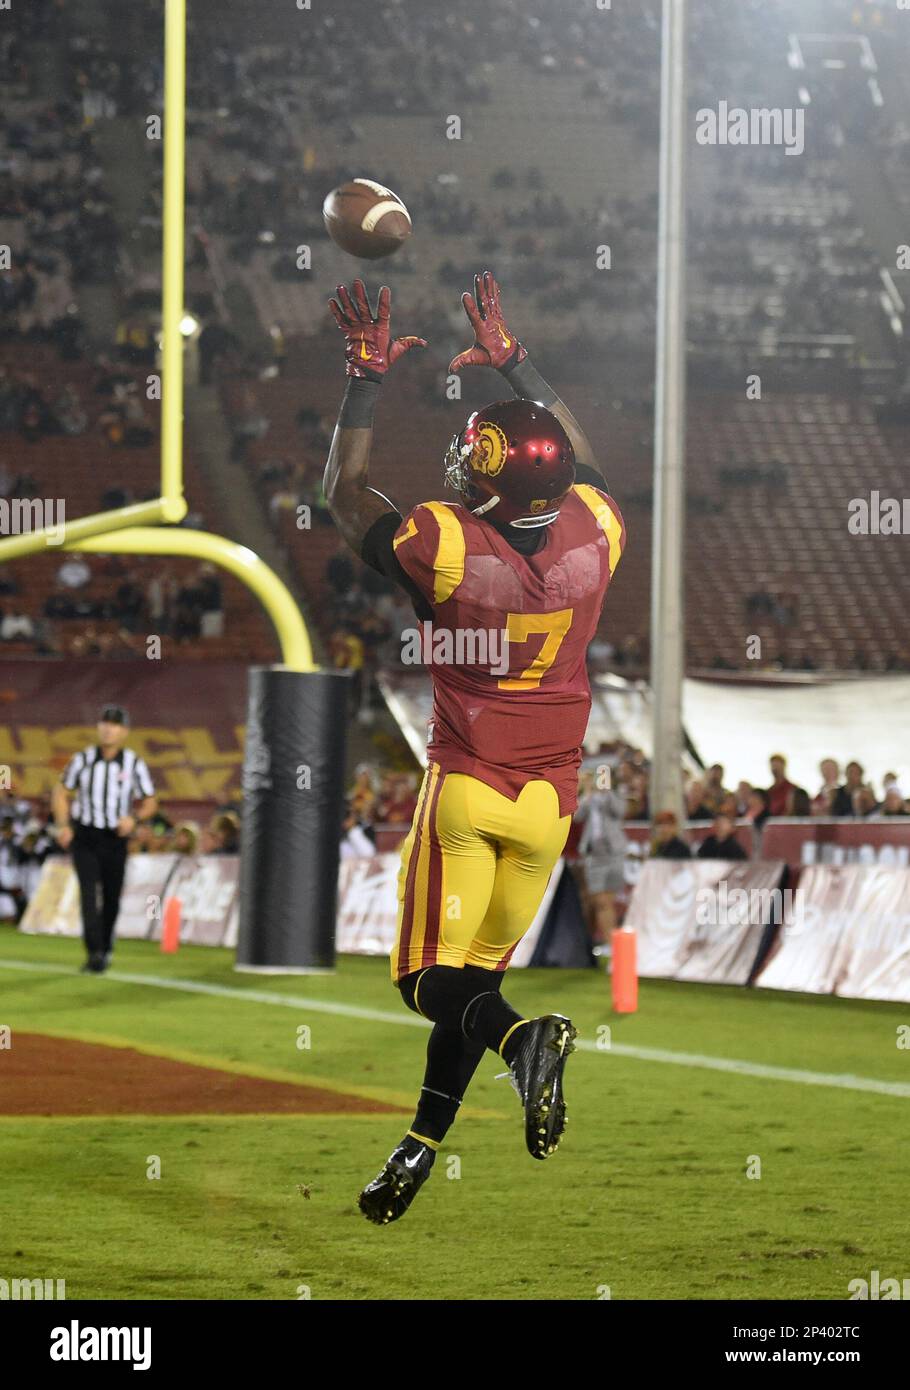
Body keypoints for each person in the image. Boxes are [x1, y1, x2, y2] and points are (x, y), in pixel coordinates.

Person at [324, 272, 625, 1224]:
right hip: (551, 807)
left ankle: (525, 1042)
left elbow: (340, 492)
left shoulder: (447, 545)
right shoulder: (599, 532)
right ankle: (416, 1151)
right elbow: (583, 464)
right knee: (471, 987)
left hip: (468, 788)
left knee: (426, 980)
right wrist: (517, 365)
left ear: (488, 476)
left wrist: (365, 379)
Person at [51, 706, 156, 973]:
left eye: (115, 725)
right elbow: (61, 792)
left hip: (114, 838)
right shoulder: (83, 759)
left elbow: (150, 801)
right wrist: (63, 825)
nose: (108, 728)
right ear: (99, 728)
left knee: (111, 897)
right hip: (85, 835)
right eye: (105, 723)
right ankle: (94, 952)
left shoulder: (134, 763)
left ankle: (105, 947)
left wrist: (134, 819)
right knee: (88, 894)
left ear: (124, 732)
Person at [575, 772, 627, 942]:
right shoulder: (589, 799)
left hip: (613, 854)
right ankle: (609, 942)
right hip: (594, 856)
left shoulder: (615, 794)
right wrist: (587, 793)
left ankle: (610, 942)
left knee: (606, 902)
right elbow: (577, 816)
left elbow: (620, 811)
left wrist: (607, 792)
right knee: (600, 901)